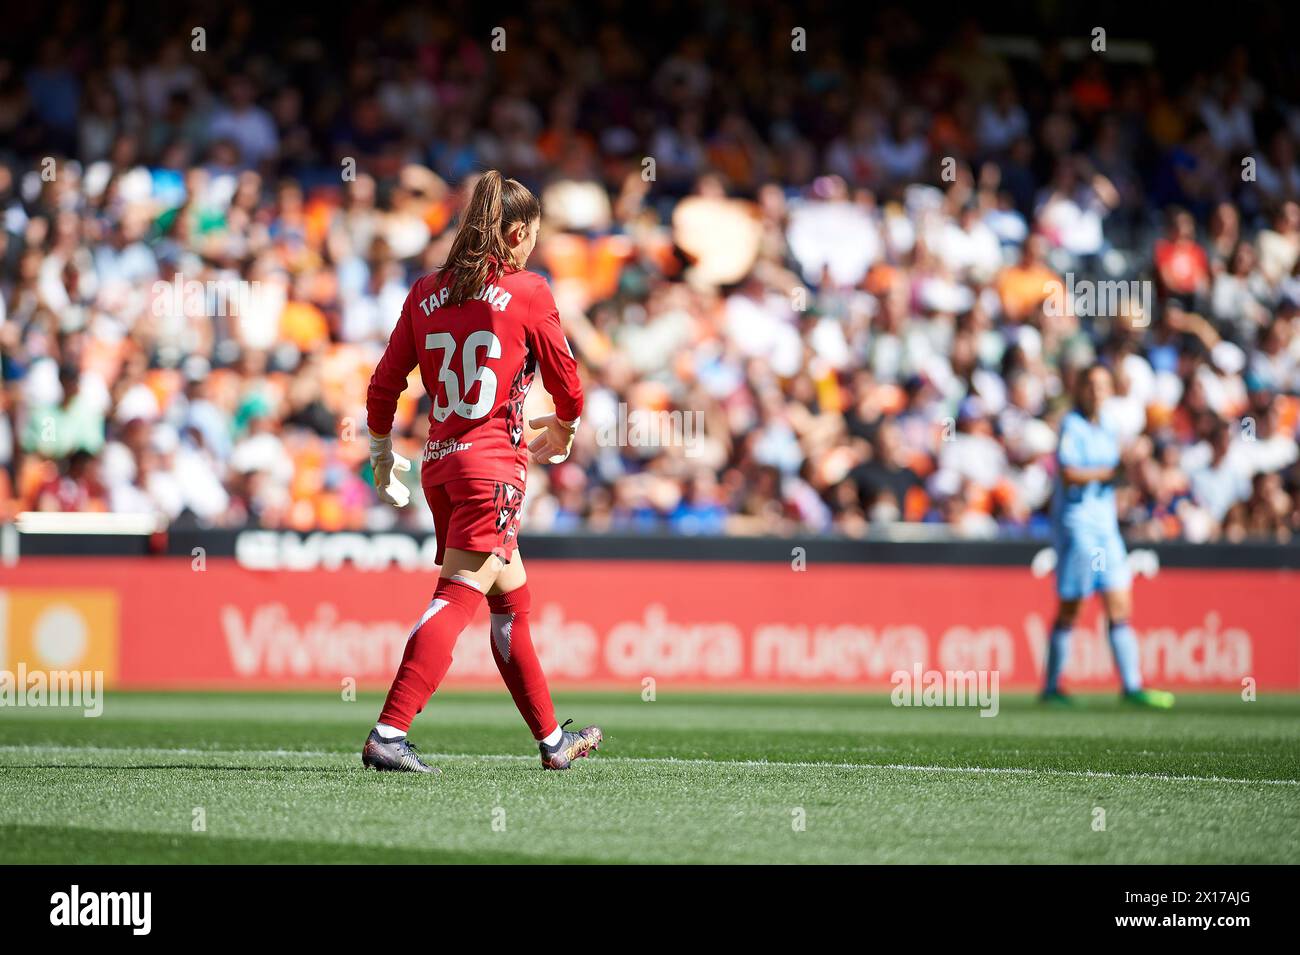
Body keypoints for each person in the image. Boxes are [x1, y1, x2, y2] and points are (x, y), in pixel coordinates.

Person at [361, 170, 602, 772]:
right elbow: (566, 381)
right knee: (457, 593)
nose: (533, 249)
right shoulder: (528, 291)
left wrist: (381, 454)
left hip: (440, 467)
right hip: (492, 468)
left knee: (511, 600)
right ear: (516, 232)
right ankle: (389, 732)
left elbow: (385, 383)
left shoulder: (425, 291)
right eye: (533, 237)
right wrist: (566, 428)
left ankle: (552, 742)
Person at [1042, 364, 1175, 708]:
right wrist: (1113, 471)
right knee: (1073, 604)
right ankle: (1052, 686)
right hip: (1078, 524)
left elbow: (1115, 475)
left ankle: (1131, 686)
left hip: (1106, 527)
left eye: (1102, 386)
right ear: (1080, 389)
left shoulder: (1109, 426)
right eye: (1091, 385)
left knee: (1119, 603)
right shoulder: (1072, 425)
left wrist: (1135, 465)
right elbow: (1070, 474)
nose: (1097, 392)